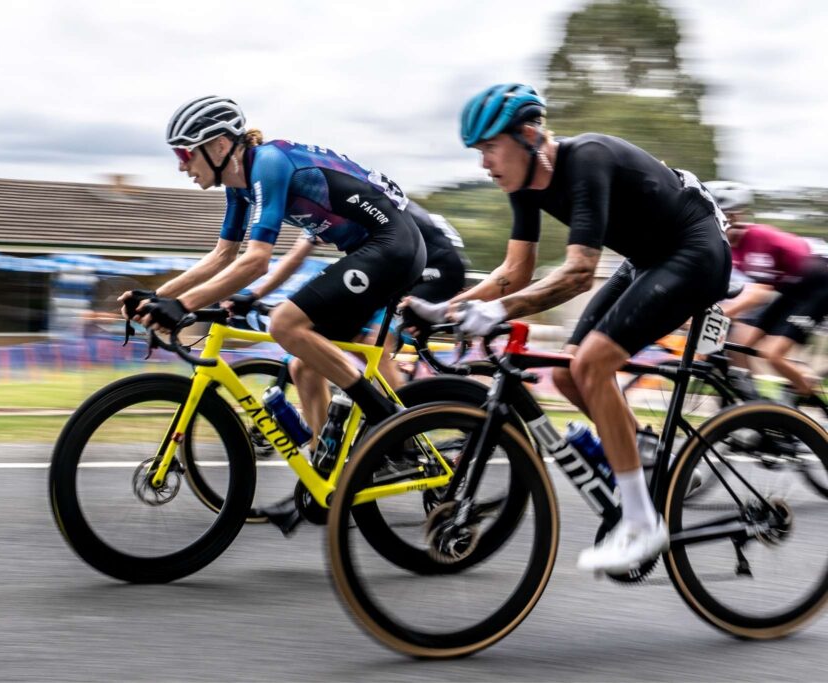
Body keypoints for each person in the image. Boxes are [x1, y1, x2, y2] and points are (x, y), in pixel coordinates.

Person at [408, 83, 732, 573]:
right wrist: (446, 310)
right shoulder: (523, 185)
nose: (484, 163)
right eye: (479, 151)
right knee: (565, 373)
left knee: (592, 363)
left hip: (695, 251)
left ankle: (642, 525)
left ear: (528, 136)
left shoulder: (587, 159)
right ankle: (644, 453)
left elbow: (580, 273)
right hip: (647, 259)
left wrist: (498, 311)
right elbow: (515, 272)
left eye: (490, 147)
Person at [123, 94, 425, 473]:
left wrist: (182, 306)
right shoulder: (239, 185)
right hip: (372, 251)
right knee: (304, 368)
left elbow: (257, 262)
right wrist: (157, 297)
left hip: (393, 246)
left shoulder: (269, 163)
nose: (181, 165)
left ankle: (386, 419)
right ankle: (332, 475)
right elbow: (222, 256)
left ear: (220, 146)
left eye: (185, 154)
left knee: (285, 324)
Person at [225, 200, 468, 394]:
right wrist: (257, 294)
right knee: (317, 353)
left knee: (375, 343)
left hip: (436, 268)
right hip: (393, 270)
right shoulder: (315, 211)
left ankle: (403, 427)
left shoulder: (341, 202)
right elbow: (294, 258)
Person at [706, 181, 828, 405]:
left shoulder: (757, 238)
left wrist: (720, 313)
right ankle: (752, 402)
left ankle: (798, 407)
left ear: (733, 217)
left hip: (819, 281)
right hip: (794, 286)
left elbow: (759, 294)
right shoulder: (731, 248)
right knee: (740, 342)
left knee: (772, 355)